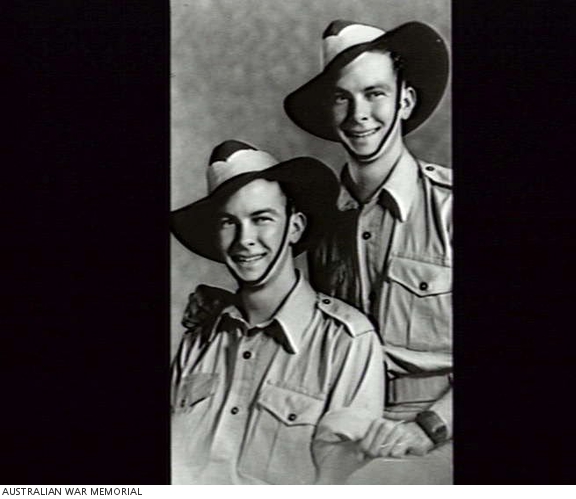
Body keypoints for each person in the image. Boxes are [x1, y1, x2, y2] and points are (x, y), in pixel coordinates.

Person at [282, 20, 453, 476]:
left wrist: (429, 427)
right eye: (342, 96)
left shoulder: (450, 210)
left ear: (405, 101)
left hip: (437, 428)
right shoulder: (317, 221)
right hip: (337, 421)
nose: (359, 113)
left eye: (374, 93)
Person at [169, 140, 385, 484]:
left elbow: (345, 481)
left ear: (295, 226)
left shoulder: (347, 343)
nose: (245, 239)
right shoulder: (198, 342)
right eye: (228, 222)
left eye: (261, 219)